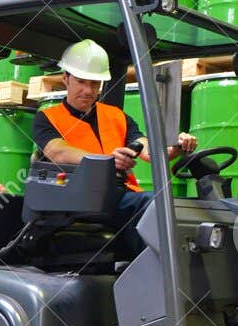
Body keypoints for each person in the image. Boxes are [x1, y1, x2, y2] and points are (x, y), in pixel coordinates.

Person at [32, 40, 197, 257]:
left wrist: (176, 147)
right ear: (66, 78)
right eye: (81, 82)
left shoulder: (116, 116)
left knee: (171, 203)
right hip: (76, 198)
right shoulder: (47, 117)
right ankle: (155, 268)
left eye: (95, 84)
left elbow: (149, 151)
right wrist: (107, 160)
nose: (88, 90)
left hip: (117, 196)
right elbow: (57, 151)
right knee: (151, 203)